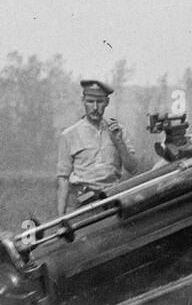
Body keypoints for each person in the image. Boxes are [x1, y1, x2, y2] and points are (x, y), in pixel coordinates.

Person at [56, 79, 140, 215]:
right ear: (83, 101)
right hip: (83, 202)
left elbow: (134, 168)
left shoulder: (118, 131)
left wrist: (119, 143)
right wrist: (61, 218)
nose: (95, 107)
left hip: (113, 200)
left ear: (107, 102)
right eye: (90, 101)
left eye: (99, 102)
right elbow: (63, 179)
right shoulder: (69, 135)